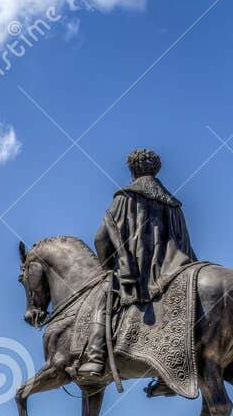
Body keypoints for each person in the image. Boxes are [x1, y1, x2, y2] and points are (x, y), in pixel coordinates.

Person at [79, 148, 198, 378]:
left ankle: (95, 357)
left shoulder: (125, 198)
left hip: (139, 274)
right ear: (156, 170)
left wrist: (109, 267)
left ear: (132, 171)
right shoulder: (174, 205)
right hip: (176, 270)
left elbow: (100, 238)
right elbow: (184, 242)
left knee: (103, 293)